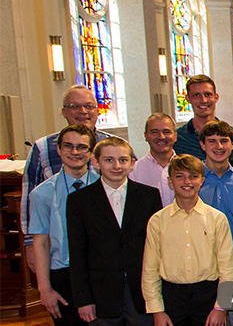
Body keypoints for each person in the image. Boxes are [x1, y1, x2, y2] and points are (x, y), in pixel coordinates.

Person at [68, 137, 162, 325]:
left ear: (132, 163)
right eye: (109, 160)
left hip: (142, 292)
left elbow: (158, 248)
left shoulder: (149, 196)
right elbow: (77, 253)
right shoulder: (79, 200)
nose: (117, 165)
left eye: (123, 160)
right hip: (101, 293)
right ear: (95, 162)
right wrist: (83, 299)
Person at [22, 86, 116, 269]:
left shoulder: (115, 146)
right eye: (75, 106)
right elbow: (29, 197)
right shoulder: (43, 148)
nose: (83, 111)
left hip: (106, 247)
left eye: (89, 106)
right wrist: (29, 244)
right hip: (60, 248)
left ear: (97, 111)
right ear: (64, 112)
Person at [141, 154, 233, 326]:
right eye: (179, 176)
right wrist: (157, 310)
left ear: (202, 180)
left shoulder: (216, 219)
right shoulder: (158, 220)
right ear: (170, 181)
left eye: (193, 176)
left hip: (207, 295)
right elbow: (150, 269)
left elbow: (227, 267)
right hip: (171, 297)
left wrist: (221, 307)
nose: (187, 182)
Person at [28, 124, 99, 326]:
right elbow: (41, 244)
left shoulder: (104, 188)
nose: (74, 152)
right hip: (63, 274)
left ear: (92, 152)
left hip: (98, 273)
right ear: (58, 149)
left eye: (82, 147)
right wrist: (45, 288)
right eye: (68, 146)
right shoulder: (42, 194)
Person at [198, 120, 233, 245]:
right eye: (211, 141)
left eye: (224, 141)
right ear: (202, 145)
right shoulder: (193, 181)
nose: (219, 146)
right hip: (201, 249)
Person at [129, 113, 178, 206]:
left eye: (167, 132)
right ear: (145, 136)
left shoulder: (187, 169)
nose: (161, 137)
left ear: (175, 136)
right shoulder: (133, 172)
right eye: (154, 132)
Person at [172, 74, 220, 159]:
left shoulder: (231, 135)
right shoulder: (178, 139)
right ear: (188, 99)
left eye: (207, 95)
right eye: (196, 95)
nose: (203, 100)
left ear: (216, 97)